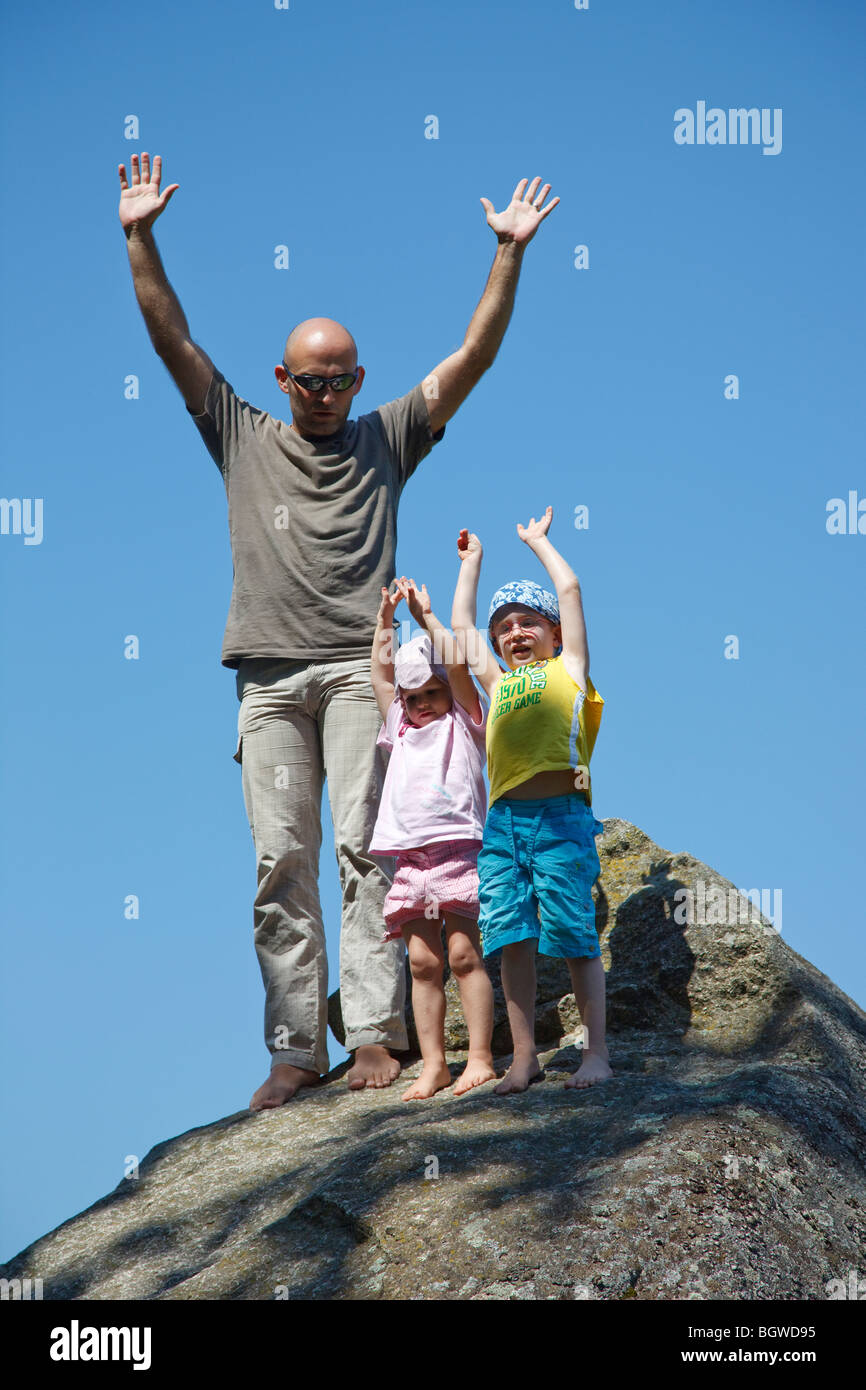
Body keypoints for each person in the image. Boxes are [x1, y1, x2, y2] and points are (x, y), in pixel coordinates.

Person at [117, 151, 560, 1108]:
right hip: (270, 679)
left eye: (340, 380)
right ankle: (291, 1051)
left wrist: (508, 257)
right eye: (310, 381)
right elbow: (172, 343)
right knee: (282, 864)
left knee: (371, 852)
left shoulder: (386, 438)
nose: (325, 394)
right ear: (283, 378)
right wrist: (140, 238)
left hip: (367, 676)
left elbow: (472, 358)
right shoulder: (241, 434)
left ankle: (373, 1036)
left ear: (360, 381)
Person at [450, 506, 613, 1093]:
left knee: (572, 932)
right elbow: (463, 634)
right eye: (506, 628)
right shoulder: (498, 684)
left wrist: (539, 544)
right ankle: (524, 1057)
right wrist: (472, 565)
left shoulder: (570, 668)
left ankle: (596, 1053)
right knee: (509, 936)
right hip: (503, 826)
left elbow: (569, 588)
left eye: (528, 623)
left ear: (554, 633)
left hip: (560, 819)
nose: (515, 633)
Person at [369, 579, 495, 1100]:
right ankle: (434, 1064)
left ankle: (482, 1057)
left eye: (431, 693)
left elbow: (460, 668)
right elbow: (380, 674)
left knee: (464, 955)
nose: (422, 703)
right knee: (422, 963)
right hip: (411, 859)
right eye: (413, 696)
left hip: (458, 850)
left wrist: (425, 620)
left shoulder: (465, 720)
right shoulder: (398, 724)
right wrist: (384, 623)